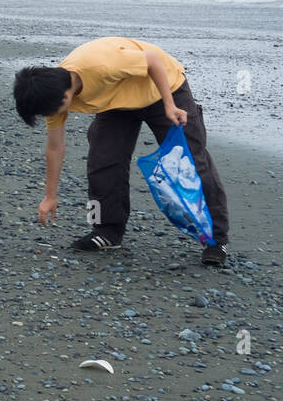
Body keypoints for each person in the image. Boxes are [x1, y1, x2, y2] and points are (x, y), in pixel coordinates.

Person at [13, 36, 229, 265]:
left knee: (191, 162)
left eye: (48, 113)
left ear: (66, 96)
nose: (50, 117)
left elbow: (153, 60)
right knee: (101, 162)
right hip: (116, 102)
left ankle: (216, 240)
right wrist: (50, 196)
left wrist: (169, 105)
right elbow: (55, 148)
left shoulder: (101, 66)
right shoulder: (52, 94)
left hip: (163, 87)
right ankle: (105, 231)